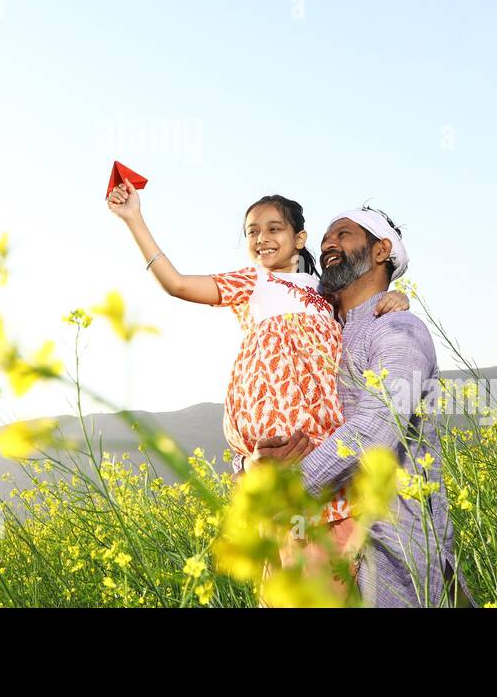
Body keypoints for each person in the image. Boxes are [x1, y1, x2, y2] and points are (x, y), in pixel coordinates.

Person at [105, 180, 409, 604]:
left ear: (299, 238)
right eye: (252, 231)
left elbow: (366, 305)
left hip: (327, 462)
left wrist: (398, 296)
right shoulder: (253, 283)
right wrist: (133, 219)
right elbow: (175, 284)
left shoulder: (329, 297)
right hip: (273, 460)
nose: (262, 238)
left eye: (274, 229)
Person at [251, 206, 476, 607]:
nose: (327, 244)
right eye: (324, 239)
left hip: (391, 550)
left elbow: (378, 427)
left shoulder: (398, 329)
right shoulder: (318, 332)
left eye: (343, 234)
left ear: (381, 250)